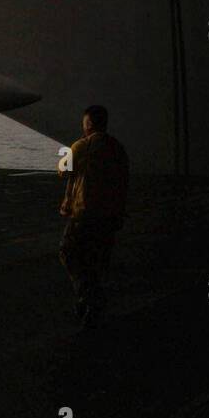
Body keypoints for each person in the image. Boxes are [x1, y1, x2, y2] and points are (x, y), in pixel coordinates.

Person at [58, 104, 129, 327]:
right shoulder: (118, 148)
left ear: (88, 124)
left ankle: (89, 296)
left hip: (84, 213)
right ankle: (88, 303)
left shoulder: (82, 145)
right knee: (97, 260)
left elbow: (62, 169)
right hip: (111, 214)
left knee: (68, 252)